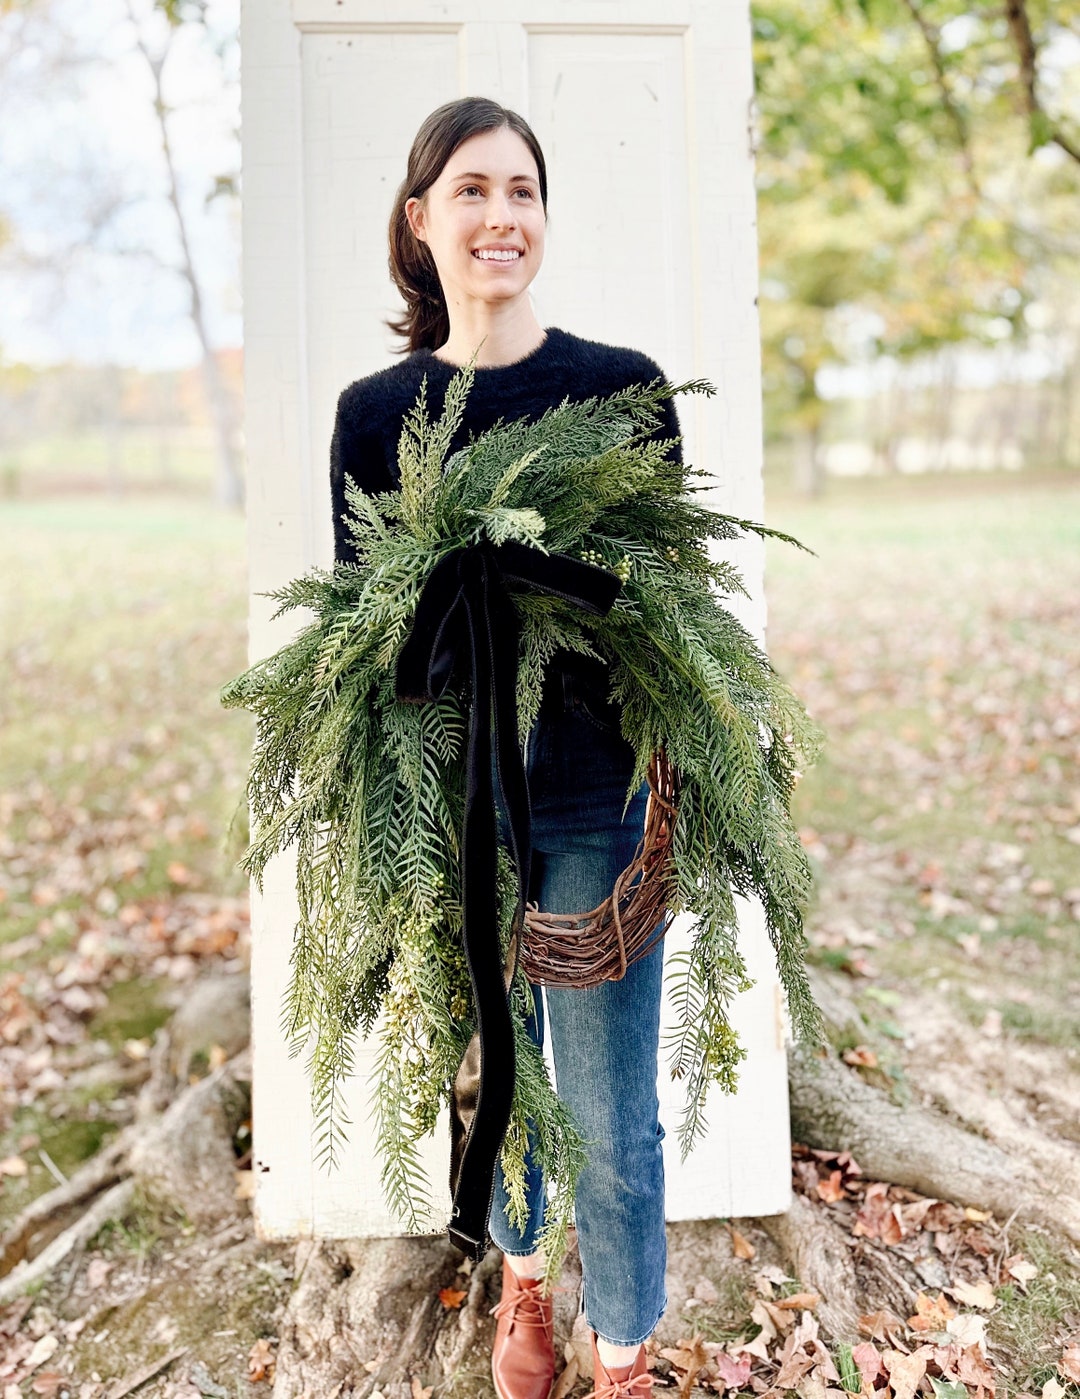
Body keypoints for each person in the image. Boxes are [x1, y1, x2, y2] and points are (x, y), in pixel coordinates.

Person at [329, 95, 682, 1399]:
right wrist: (465, 581)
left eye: (521, 190)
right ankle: (523, 1291)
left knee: (613, 1113)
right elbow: (364, 637)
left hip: (594, 801)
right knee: (511, 1081)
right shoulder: (378, 415)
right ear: (420, 223)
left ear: (545, 217)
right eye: (470, 191)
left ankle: (627, 1356)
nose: (500, 215)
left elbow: (662, 610)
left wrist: (560, 579)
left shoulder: (620, 389)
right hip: (459, 808)